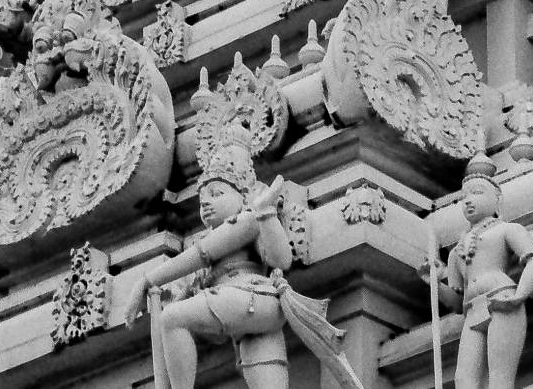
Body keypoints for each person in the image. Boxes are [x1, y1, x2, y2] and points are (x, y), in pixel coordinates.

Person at [125, 124, 361, 389]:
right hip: (247, 313)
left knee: (173, 319)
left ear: (242, 196)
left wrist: (145, 280)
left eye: (217, 194)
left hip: (252, 297)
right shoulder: (224, 232)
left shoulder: (247, 219)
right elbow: (197, 283)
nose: (206, 203)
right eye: (203, 199)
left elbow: (208, 254)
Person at [436, 155, 533, 389]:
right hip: (472, 310)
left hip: (502, 300)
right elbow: (456, 302)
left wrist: (519, 296)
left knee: (499, 379)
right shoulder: (456, 252)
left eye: (476, 193)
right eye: (463, 197)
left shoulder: (507, 230)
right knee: (464, 381)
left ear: (498, 201)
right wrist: (434, 283)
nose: (467, 201)